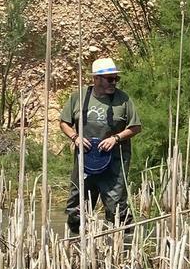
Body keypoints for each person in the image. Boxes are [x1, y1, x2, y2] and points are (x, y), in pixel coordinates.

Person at [58, 57, 141, 236]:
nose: (114, 83)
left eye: (116, 79)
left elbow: (135, 127)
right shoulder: (77, 97)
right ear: (96, 79)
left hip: (115, 163)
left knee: (117, 208)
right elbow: (64, 122)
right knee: (76, 209)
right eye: (110, 79)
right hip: (85, 162)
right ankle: (76, 246)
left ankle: (124, 248)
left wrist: (116, 138)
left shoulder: (123, 99)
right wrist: (75, 137)